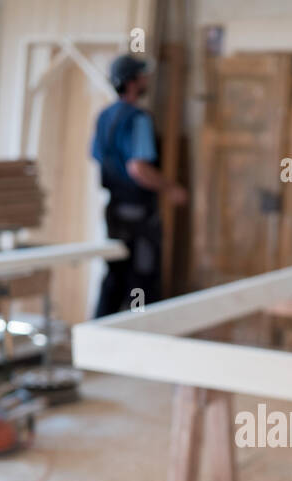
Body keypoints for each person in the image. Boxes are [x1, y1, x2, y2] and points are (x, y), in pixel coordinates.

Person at [90, 54, 187, 318]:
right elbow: (138, 168)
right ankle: (142, 344)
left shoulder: (104, 117)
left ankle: (98, 342)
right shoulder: (138, 119)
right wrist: (171, 188)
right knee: (142, 280)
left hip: (114, 211)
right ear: (132, 82)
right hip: (139, 215)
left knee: (114, 277)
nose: (146, 81)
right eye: (142, 76)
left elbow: (98, 158)